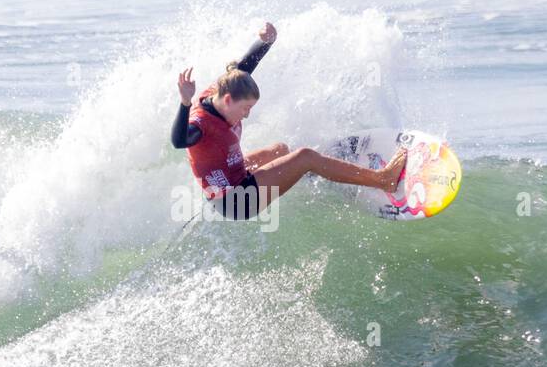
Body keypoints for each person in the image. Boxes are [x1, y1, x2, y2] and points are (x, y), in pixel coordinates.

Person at [171, 23, 406, 220]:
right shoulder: (200, 122)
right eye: (245, 109)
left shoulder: (223, 90)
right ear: (229, 100)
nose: (247, 115)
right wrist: (184, 102)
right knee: (305, 156)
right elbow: (179, 140)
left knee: (280, 150)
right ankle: (383, 180)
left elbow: (242, 70)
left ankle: (325, 172)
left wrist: (265, 42)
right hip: (237, 201)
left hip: (234, 177)